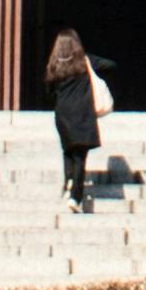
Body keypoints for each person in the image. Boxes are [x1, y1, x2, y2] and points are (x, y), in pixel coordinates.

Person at [42, 26, 108, 210]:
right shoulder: (85, 62)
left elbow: (48, 90)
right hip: (82, 114)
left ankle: (69, 181)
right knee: (80, 155)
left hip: (63, 114)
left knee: (68, 150)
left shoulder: (54, 66)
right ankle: (75, 197)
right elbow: (109, 65)